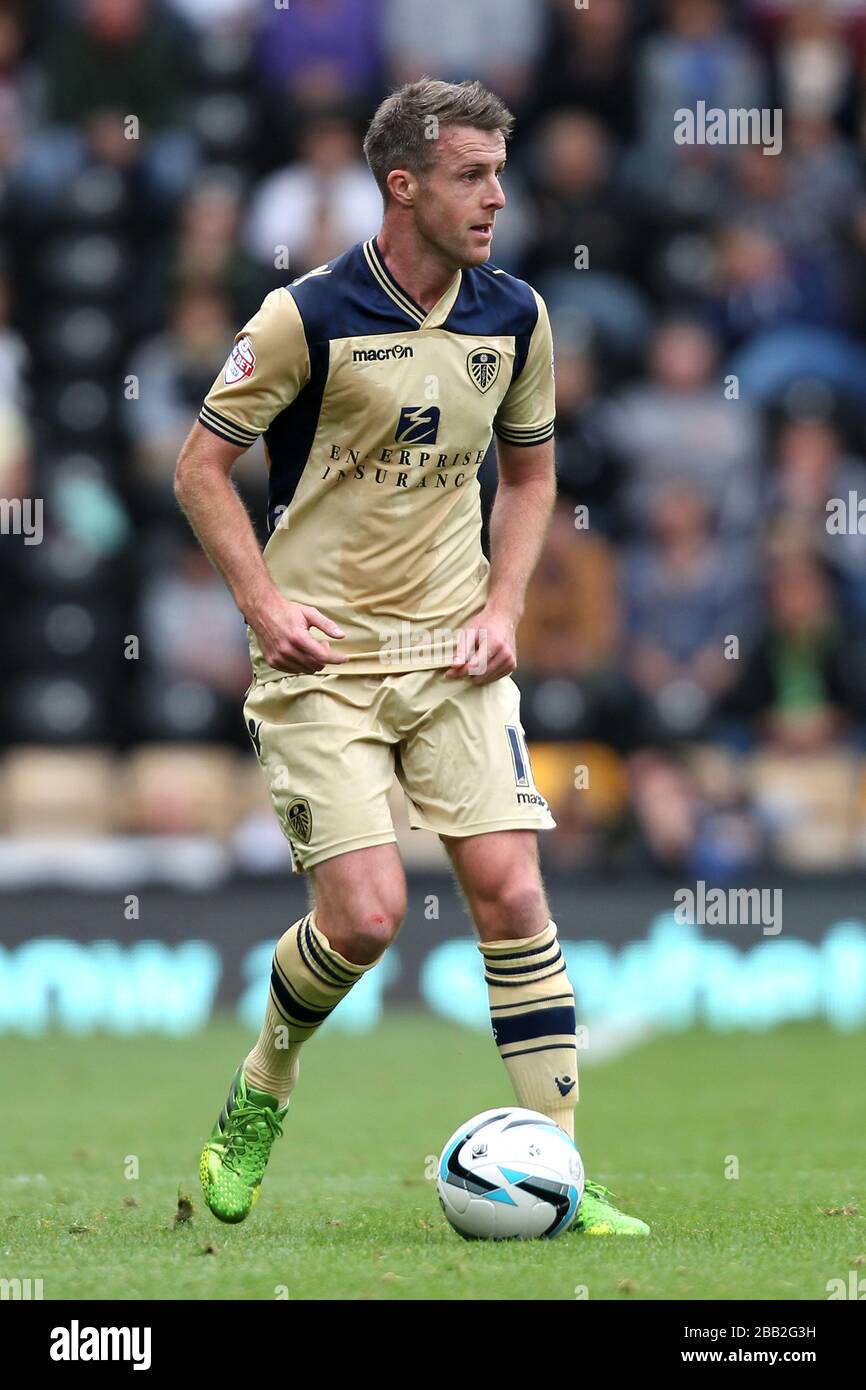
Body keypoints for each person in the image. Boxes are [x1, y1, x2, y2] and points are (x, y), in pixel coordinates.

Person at [174, 78, 649, 1237]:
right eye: (472, 176)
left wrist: (503, 605)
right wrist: (262, 604)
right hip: (322, 657)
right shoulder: (304, 316)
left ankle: (564, 1178)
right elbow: (198, 467)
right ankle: (263, 1080)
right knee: (367, 916)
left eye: (500, 171)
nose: (497, 195)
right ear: (405, 185)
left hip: (453, 649)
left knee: (507, 887)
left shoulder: (515, 317)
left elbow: (531, 478)